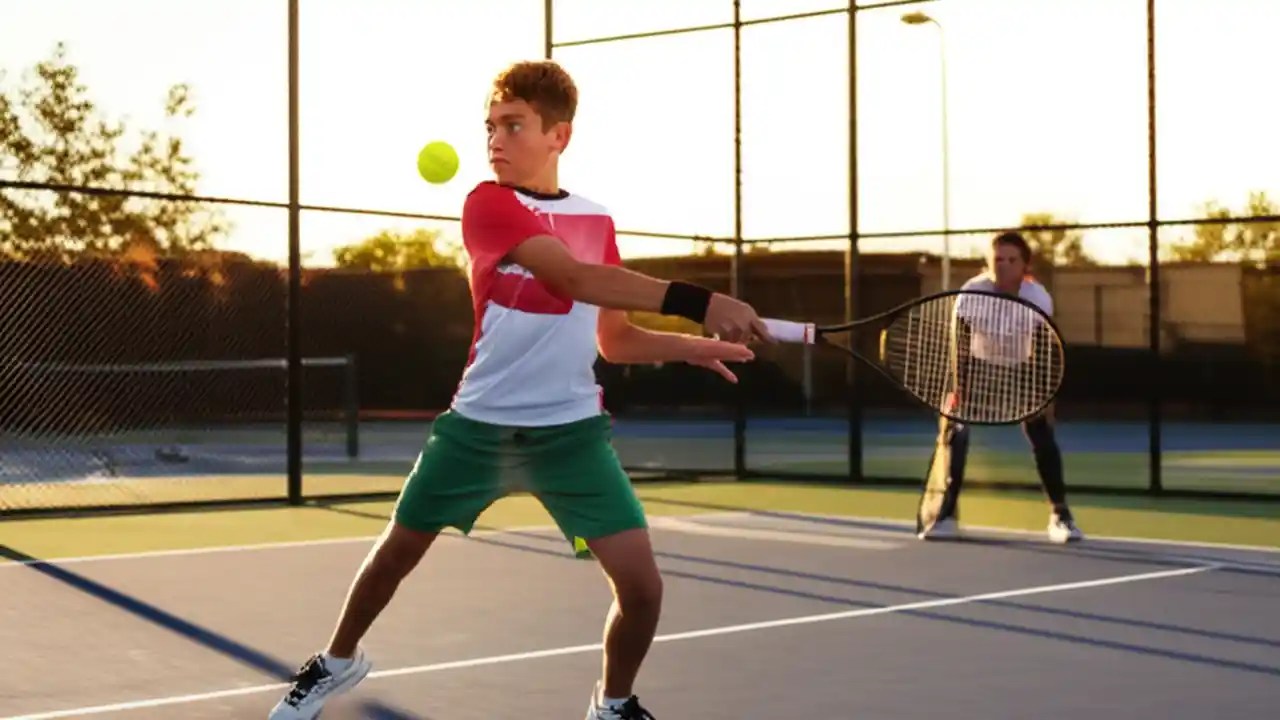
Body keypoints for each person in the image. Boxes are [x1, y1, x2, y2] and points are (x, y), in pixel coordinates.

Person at [267, 60, 772, 720]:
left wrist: (689, 344)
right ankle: (336, 662)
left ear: (558, 136)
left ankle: (612, 706)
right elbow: (571, 281)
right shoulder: (489, 204)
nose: (495, 140)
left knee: (643, 590)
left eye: (514, 125)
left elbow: (611, 339)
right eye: (490, 127)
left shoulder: (596, 218)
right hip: (478, 427)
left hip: (571, 436)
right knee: (393, 557)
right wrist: (697, 301)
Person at [918, 231, 1084, 545]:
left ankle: (1060, 516)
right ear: (988, 263)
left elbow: (1043, 349)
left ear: (1025, 266)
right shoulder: (972, 292)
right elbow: (961, 345)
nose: (1004, 266)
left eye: (1012, 260)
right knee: (957, 429)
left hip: (1019, 369)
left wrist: (1045, 394)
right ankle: (947, 515)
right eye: (998, 259)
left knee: (1041, 431)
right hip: (978, 368)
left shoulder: (1038, 298)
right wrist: (959, 388)